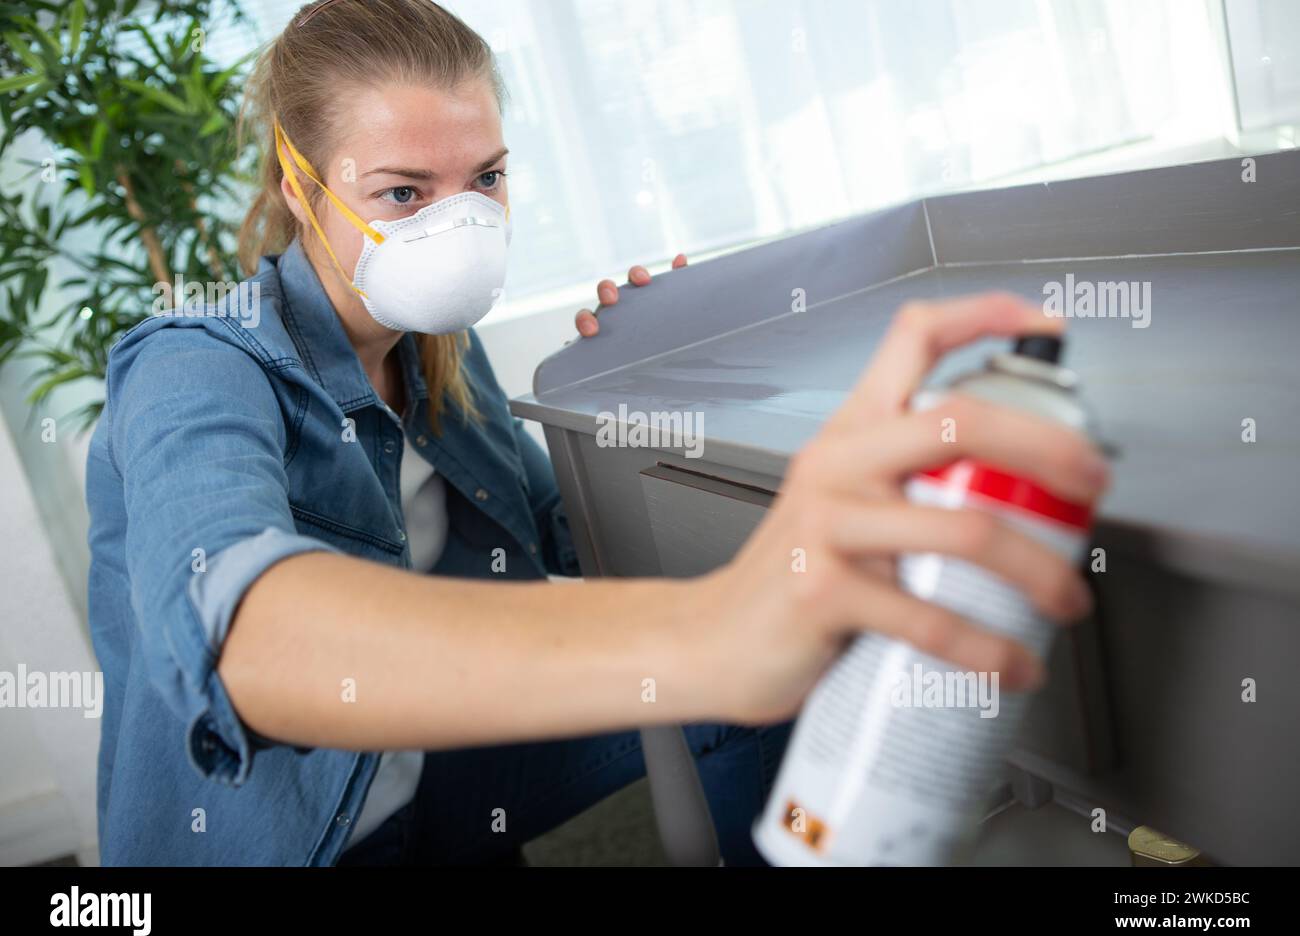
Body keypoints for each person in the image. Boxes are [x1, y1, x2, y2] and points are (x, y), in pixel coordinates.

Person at [84, 0, 1106, 866]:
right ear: (298, 183)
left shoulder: (442, 347)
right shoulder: (192, 362)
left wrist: (643, 375)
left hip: (445, 772)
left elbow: (580, 557)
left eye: (484, 178)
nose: (461, 223)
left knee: (778, 678)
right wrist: (712, 634)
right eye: (403, 193)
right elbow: (248, 642)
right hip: (291, 832)